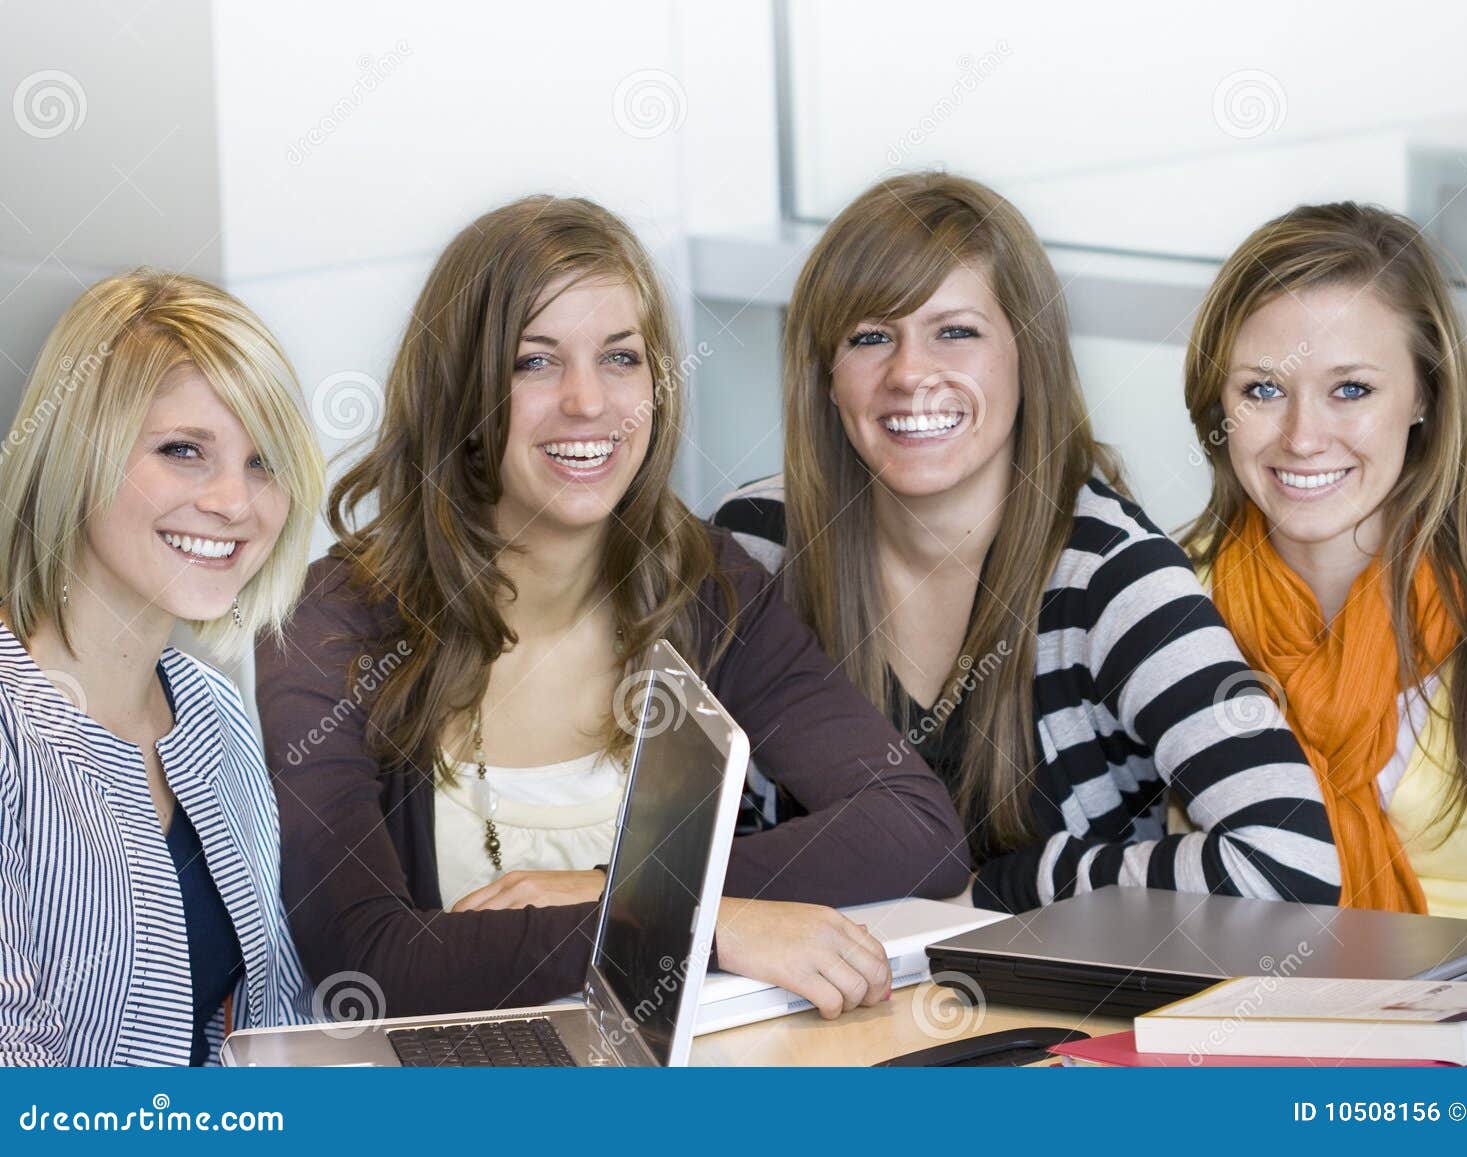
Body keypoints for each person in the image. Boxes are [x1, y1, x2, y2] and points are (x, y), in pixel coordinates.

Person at [257, 195, 970, 1022]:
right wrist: (696, 926)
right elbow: (368, 961)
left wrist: (619, 893)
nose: (588, 401)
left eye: (622, 358)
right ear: (461, 392)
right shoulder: (336, 620)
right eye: (535, 362)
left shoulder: (703, 581)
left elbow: (915, 824)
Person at [715, 172, 1340, 913]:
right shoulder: (757, 543)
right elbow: (681, 850)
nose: (910, 372)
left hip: (1041, 1021)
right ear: (825, 375)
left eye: (956, 332)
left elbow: (1291, 863)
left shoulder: (1113, 577)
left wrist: (1005, 889)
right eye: (871, 336)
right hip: (790, 1015)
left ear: (1027, 353)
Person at [1179, 201, 1467, 1007]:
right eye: (1263, 388)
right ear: (1218, 405)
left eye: (1351, 389)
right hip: (1254, 1049)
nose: (1303, 436)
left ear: (1423, 397)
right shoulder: (1169, 600)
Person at [0, 270, 324, 1065]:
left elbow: (269, 1027)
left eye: (262, 461)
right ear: (78, 455)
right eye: (184, 451)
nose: (235, 503)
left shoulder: (212, 712)